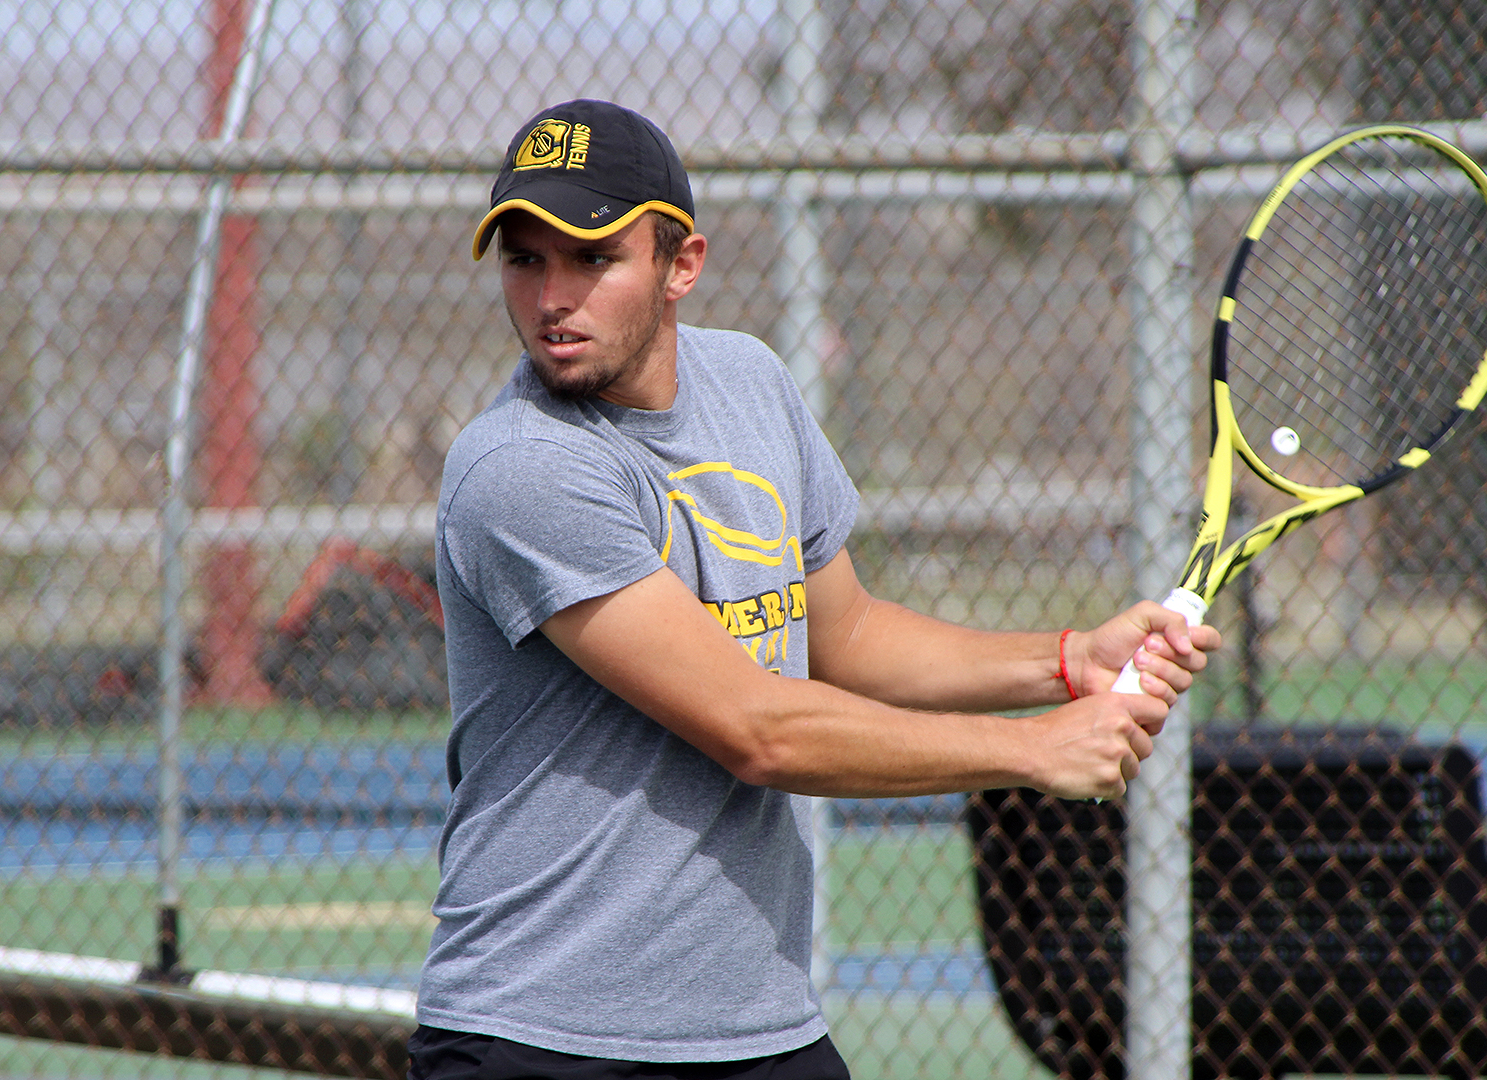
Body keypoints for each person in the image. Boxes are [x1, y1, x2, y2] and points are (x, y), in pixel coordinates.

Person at [409, 98, 1221, 1080]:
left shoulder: (751, 384)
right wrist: (1032, 750)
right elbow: (760, 729)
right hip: (539, 1039)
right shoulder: (521, 470)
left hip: (762, 1032)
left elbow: (847, 636)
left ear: (682, 264)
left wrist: (1062, 661)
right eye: (524, 258)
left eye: (593, 258)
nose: (552, 296)